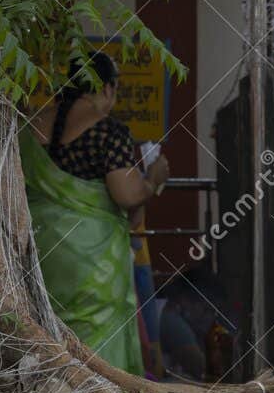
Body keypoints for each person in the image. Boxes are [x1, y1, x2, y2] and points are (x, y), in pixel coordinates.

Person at [21, 50, 170, 373]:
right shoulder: (108, 131)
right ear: (106, 89)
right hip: (92, 259)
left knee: (49, 325)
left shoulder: (32, 126)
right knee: (98, 330)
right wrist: (154, 180)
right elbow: (127, 194)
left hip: (42, 251)